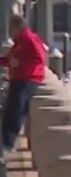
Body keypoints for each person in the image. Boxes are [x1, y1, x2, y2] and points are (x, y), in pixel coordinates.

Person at [3, 14, 48, 154]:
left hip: (27, 79)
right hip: (18, 78)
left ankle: (7, 144)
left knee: (16, 111)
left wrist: (20, 63)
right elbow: (10, 59)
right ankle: (6, 142)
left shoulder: (29, 38)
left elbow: (40, 57)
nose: (9, 33)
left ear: (17, 28)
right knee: (11, 111)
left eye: (11, 29)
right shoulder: (19, 41)